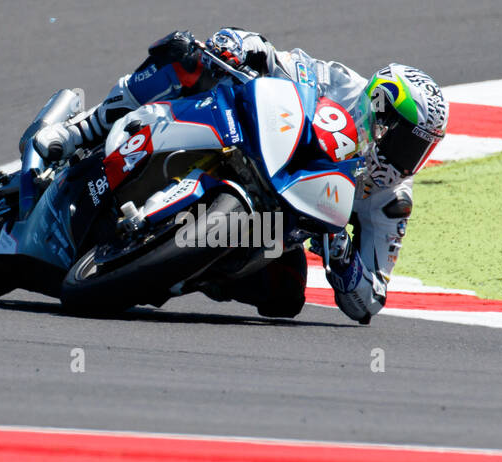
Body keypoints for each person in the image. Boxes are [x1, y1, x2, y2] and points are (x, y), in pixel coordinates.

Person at [34, 28, 448, 322]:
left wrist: (340, 253)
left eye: (422, 148)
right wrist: (241, 44)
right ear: (380, 110)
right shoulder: (342, 84)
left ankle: (185, 269)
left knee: (285, 298)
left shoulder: (391, 199)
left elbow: (369, 301)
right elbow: (282, 60)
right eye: (408, 143)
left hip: (279, 224)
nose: (409, 158)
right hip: (256, 140)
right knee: (187, 57)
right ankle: (81, 130)